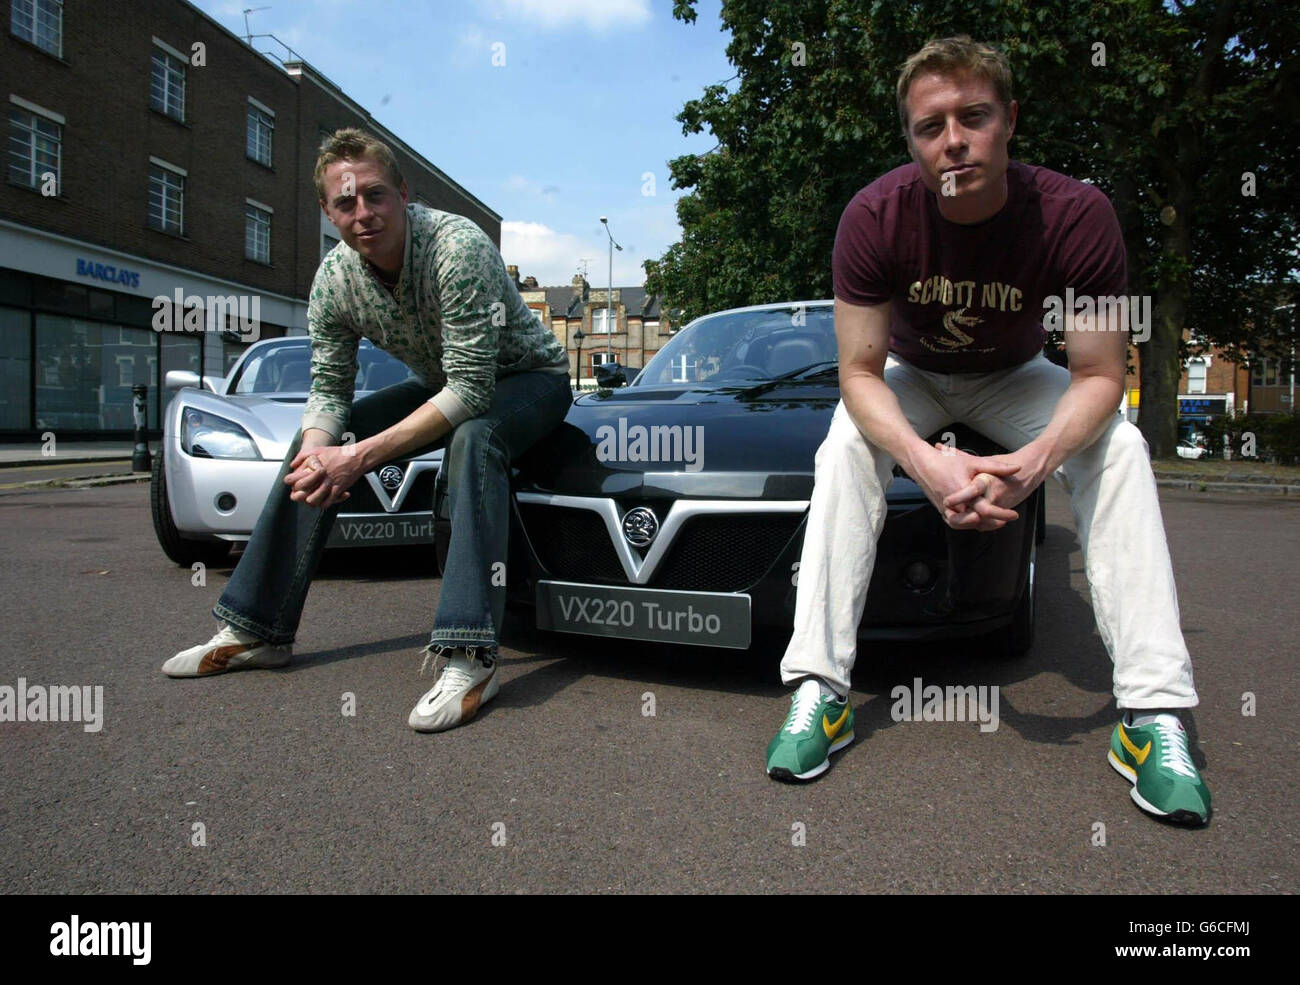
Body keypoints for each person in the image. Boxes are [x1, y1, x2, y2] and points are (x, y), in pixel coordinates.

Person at [763, 37, 1212, 826]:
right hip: (913, 372)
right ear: (910, 140)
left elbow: (1100, 374)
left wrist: (1035, 462)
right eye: (930, 126)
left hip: (1016, 372)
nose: (954, 141)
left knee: (1119, 446)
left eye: (973, 117)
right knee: (847, 445)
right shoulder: (873, 215)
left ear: (1009, 120)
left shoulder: (1076, 213)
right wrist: (924, 462)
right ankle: (818, 689)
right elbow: (860, 374)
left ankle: (1153, 711)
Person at [161, 128, 573, 733]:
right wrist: (320, 458)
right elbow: (329, 392)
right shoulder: (334, 280)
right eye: (346, 202)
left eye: (376, 195)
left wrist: (358, 460)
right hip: (444, 383)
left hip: (530, 380)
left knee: (475, 436)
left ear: (403, 194)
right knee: (320, 443)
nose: (364, 213)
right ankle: (257, 630)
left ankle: (470, 654)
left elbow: (471, 391)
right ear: (327, 213)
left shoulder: (457, 247)